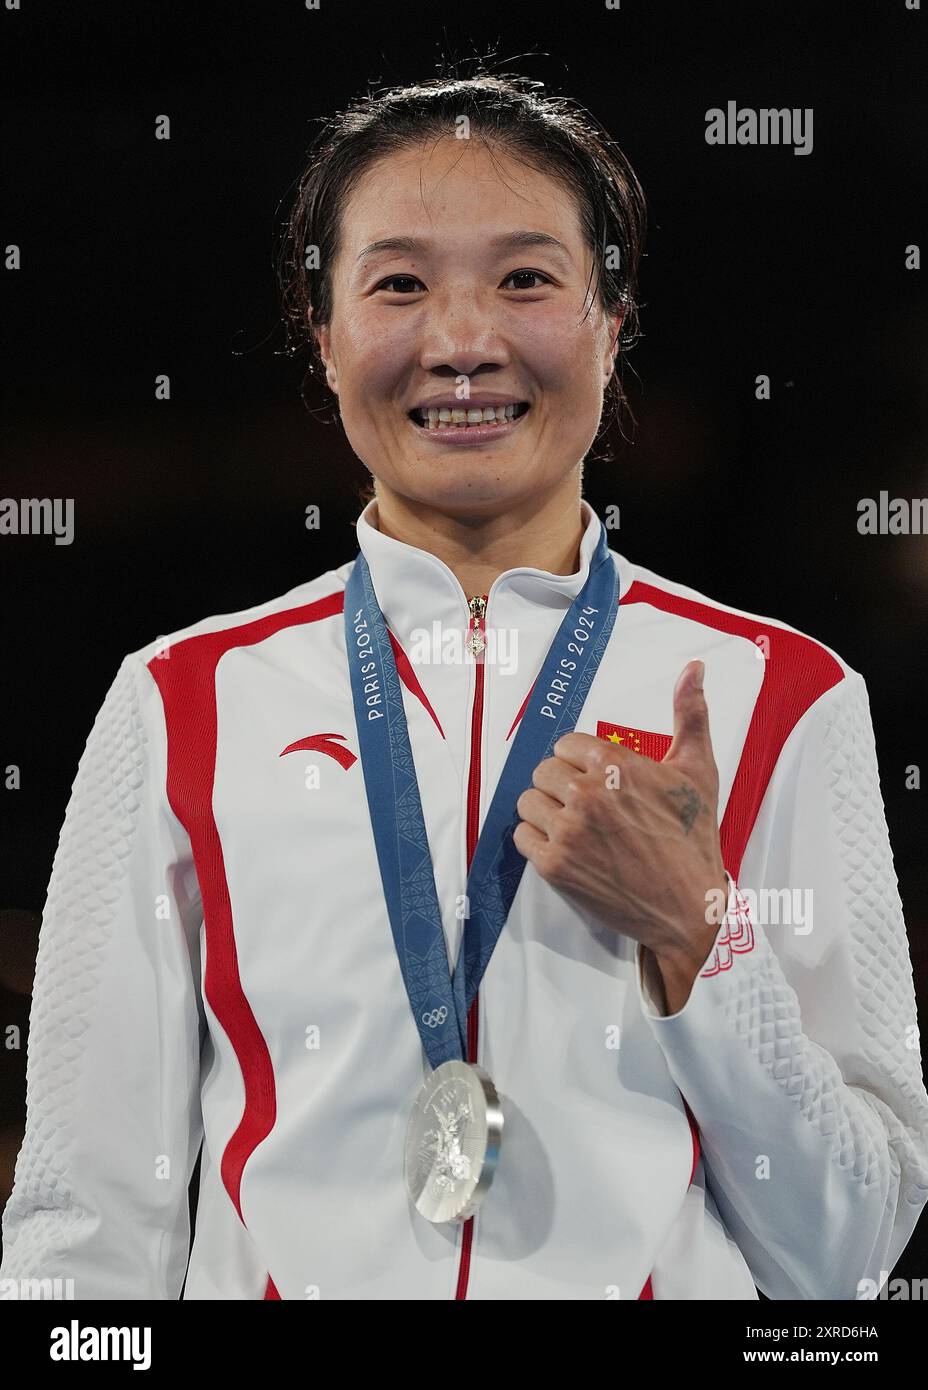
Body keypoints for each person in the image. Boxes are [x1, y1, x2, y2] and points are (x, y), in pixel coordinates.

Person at [3, 72, 927, 1302]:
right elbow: (83, 1227)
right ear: (323, 338)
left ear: (611, 323)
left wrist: (703, 932)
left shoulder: (788, 694)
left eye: (527, 279)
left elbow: (849, 1255)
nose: (462, 341)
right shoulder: (181, 702)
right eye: (397, 284)